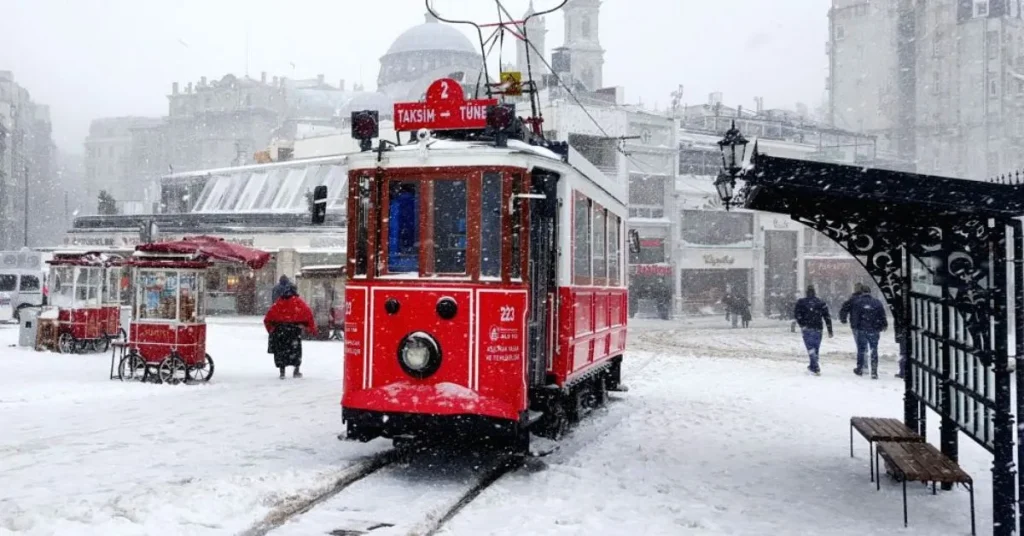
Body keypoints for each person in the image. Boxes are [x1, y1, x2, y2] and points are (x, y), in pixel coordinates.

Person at [264, 284, 318, 379]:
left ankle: (282, 371)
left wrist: (271, 330)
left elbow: (268, 318)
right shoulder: (298, 302)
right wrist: (312, 329)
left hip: (280, 331)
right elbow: (308, 314)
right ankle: (296, 370)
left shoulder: (279, 302)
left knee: (281, 351)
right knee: (295, 351)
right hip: (294, 331)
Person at [794, 285, 834, 375]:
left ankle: (815, 366)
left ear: (806, 292)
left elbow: (797, 314)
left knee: (810, 347)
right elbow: (827, 317)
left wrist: (802, 324)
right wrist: (830, 330)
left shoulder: (801, 302)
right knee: (816, 348)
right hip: (818, 327)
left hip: (807, 328)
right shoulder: (820, 302)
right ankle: (813, 365)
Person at [854, 287, 888, 379]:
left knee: (861, 350)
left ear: (862, 292)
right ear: (870, 292)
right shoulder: (877, 302)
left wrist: (856, 326)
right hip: (874, 329)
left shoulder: (858, 302)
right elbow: (882, 314)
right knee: (874, 350)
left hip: (862, 329)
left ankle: (860, 368)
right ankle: (874, 371)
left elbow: (856, 316)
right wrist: (884, 324)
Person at [839, 283, 868, 375]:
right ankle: (865, 364)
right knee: (865, 345)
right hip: (867, 325)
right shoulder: (867, 299)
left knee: (860, 346)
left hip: (856, 325)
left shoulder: (852, 299)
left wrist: (843, 318)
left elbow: (844, 309)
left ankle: (863, 364)